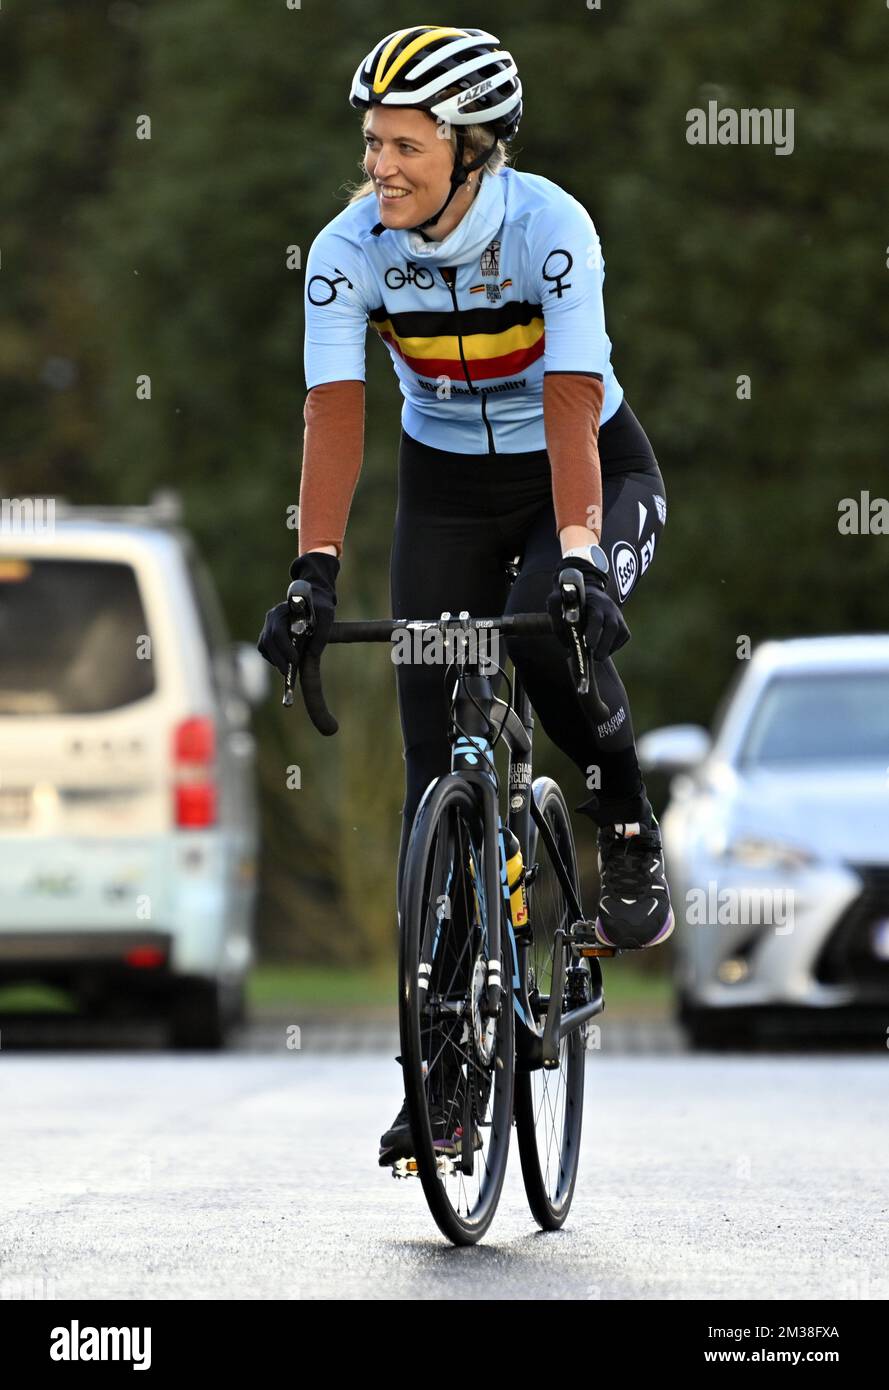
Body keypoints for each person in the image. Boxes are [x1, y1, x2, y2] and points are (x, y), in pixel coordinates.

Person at [258, 25, 674, 1165]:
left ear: (473, 147)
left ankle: (627, 821)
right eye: (371, 143)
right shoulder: (348, 249)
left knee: (550, 641)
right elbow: (334, 417)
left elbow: (573, 395)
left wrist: (582, 553)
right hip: (442, 489)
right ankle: (436, 1073)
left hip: (579, 468)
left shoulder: (551, 227)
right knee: (432, 767)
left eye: (404, 145)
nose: (380, 166)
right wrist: (313, 572)